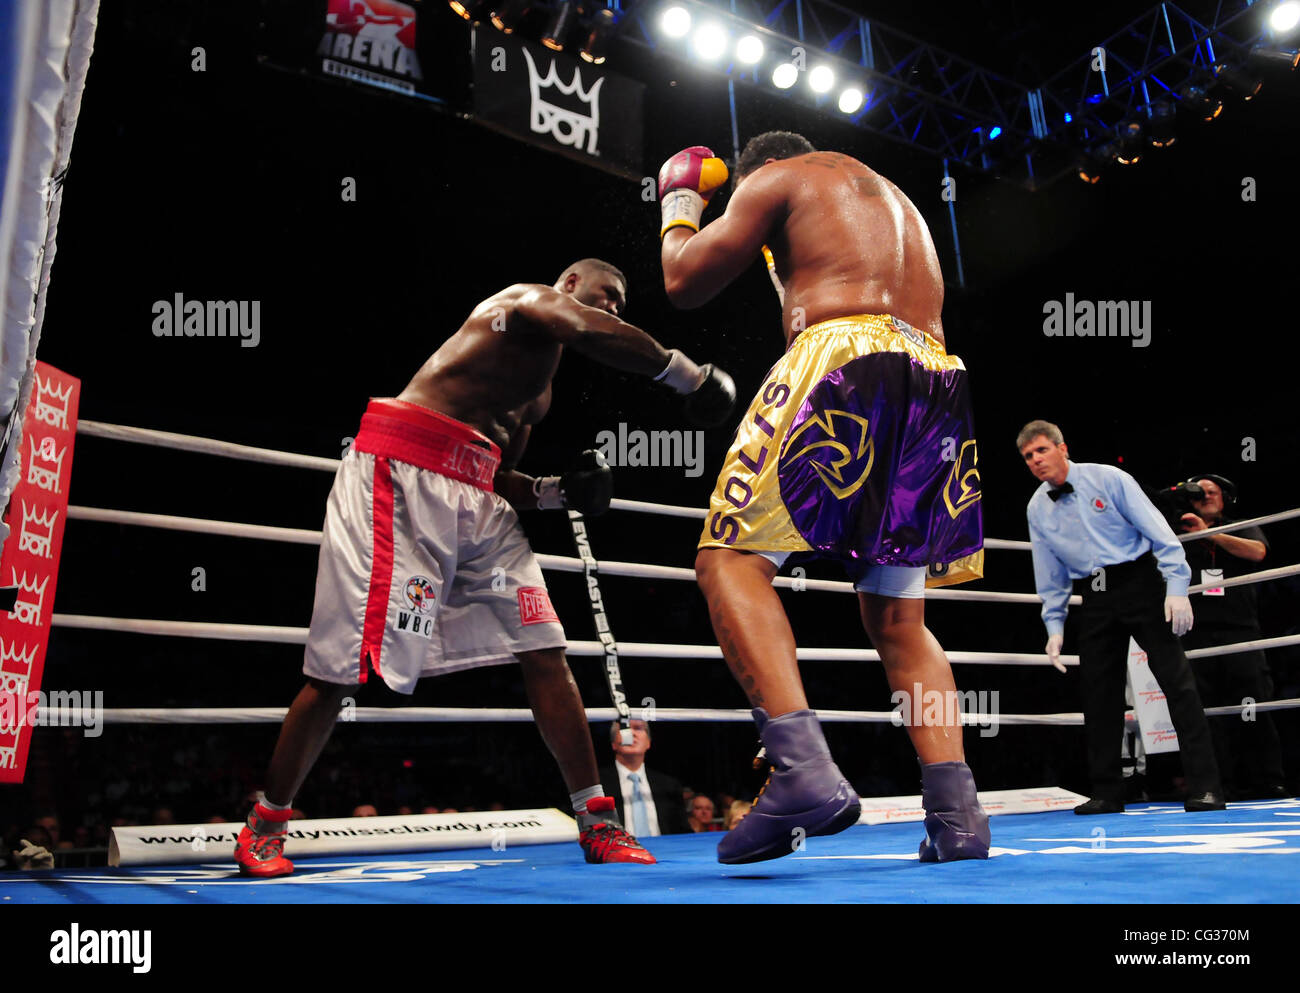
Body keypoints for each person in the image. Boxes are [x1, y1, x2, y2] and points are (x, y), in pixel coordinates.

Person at [234, 259, 736, 876]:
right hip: (400, 472)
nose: (614, 310)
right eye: (608, 296)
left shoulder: (539, 391)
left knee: (545, 645)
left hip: (476, 502)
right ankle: (266, 823)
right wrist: (685, 374)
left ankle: (598, 824)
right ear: (571, 285)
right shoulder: (525, 301)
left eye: (623, 306)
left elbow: (495, 475)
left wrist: (558, 492)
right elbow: (586, 329)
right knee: (341, 670)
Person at [657, 133, 988, 865]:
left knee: (730, 559)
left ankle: (801, 768)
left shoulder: (774, 178)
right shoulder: (893, 200)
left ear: (755, 169)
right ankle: (958, 815)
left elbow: (683, 281)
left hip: (842, 353)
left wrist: (679, 199)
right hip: (934, 379)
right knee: (899, 619)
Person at [1018, 420, 1225, 813]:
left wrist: (1177, 587)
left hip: (1140, 580)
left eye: (1041, 450)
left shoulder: (1109, 478)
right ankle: (1108, 792)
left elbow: (1158, 530)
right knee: (1099, 695)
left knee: (1177, 685)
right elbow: (1048, 571)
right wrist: (1055, 624)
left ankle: (1206, 787)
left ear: (1062, 448)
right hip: (1093, 595)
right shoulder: (1037, 507)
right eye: (1028, 457)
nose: (1036, 461)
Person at [1179, 475, 1287, 799]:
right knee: (1204, 715)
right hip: (1195, 634)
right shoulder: (1176, 533)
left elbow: (1257, 552)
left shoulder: (1240, 526)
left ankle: (1269, 780)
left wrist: (1210, 534)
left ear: (1225, 498)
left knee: (1252, 707)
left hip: (1239, 631)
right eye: (1199, 492)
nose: (1206, 496)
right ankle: (1215, 786)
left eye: (1213, 491)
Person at [598, 719, 692, 836]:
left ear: (648, 742)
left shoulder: (669, 785)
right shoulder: (596, 785)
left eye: (638, 728)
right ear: (613, 743)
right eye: (624, 728)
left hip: (664, 852)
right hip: (614, 852)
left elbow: (682, 831)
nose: (631, 733)